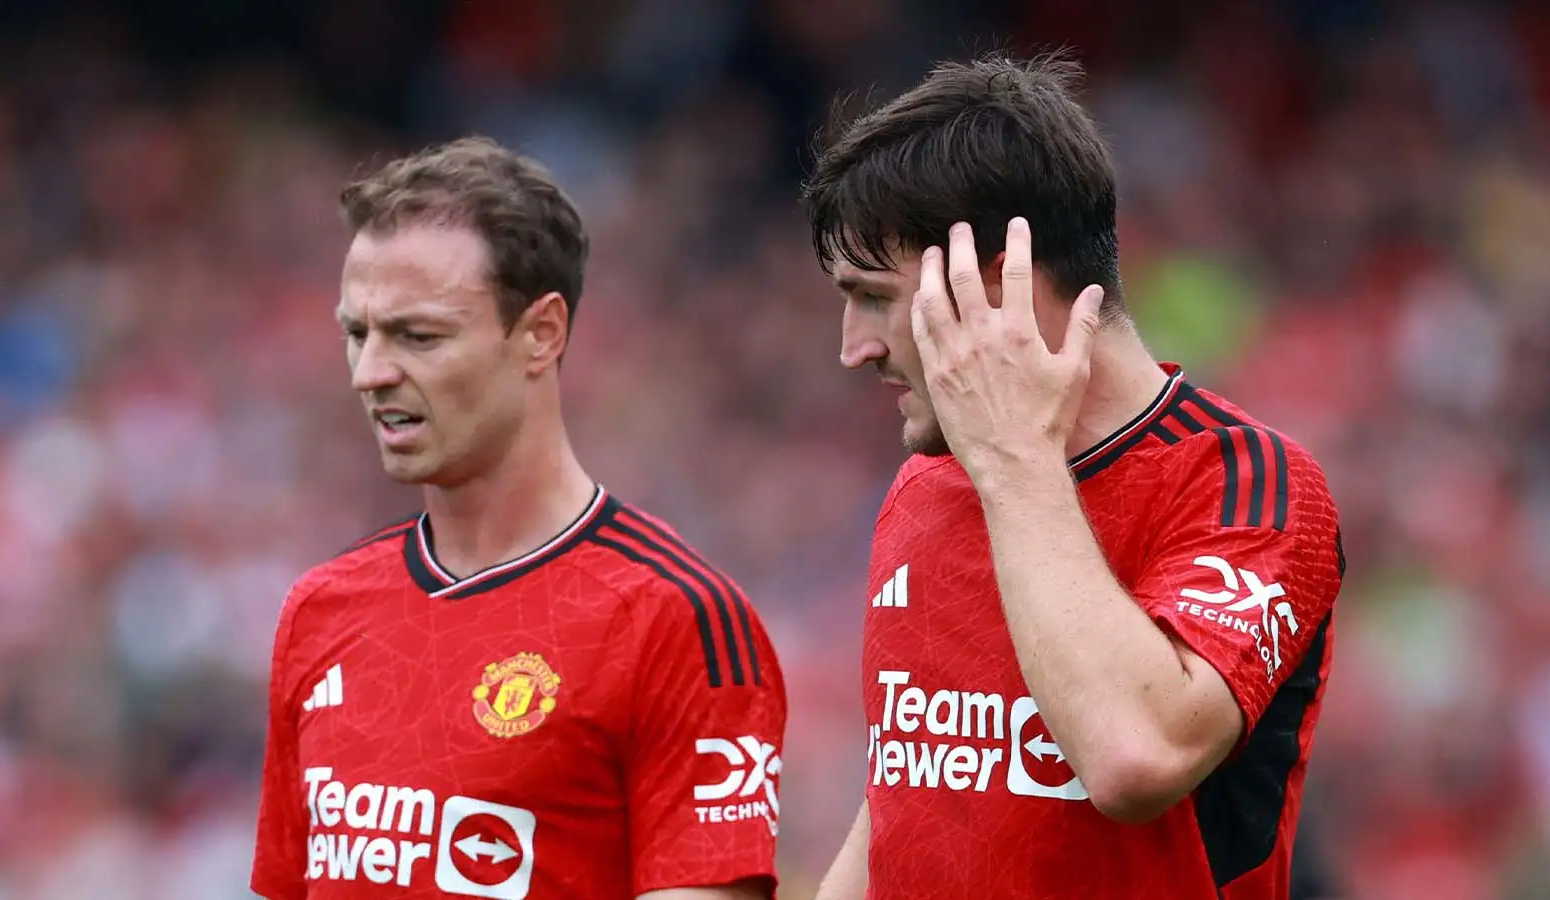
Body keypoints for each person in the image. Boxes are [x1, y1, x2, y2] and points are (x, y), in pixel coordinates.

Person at [800, 53, 1344, 899]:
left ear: (990, 287)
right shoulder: (928, 484)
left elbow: (1135, 755)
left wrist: (1018, 460)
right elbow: (907, 793)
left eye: (872, 296)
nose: (853, 348)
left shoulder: (1245, 482)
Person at [250, 137, 786, 900]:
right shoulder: (319, 611)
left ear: (541, 334)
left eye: (418, 336)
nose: (370, 373)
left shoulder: (674, 622)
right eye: (357, 334)